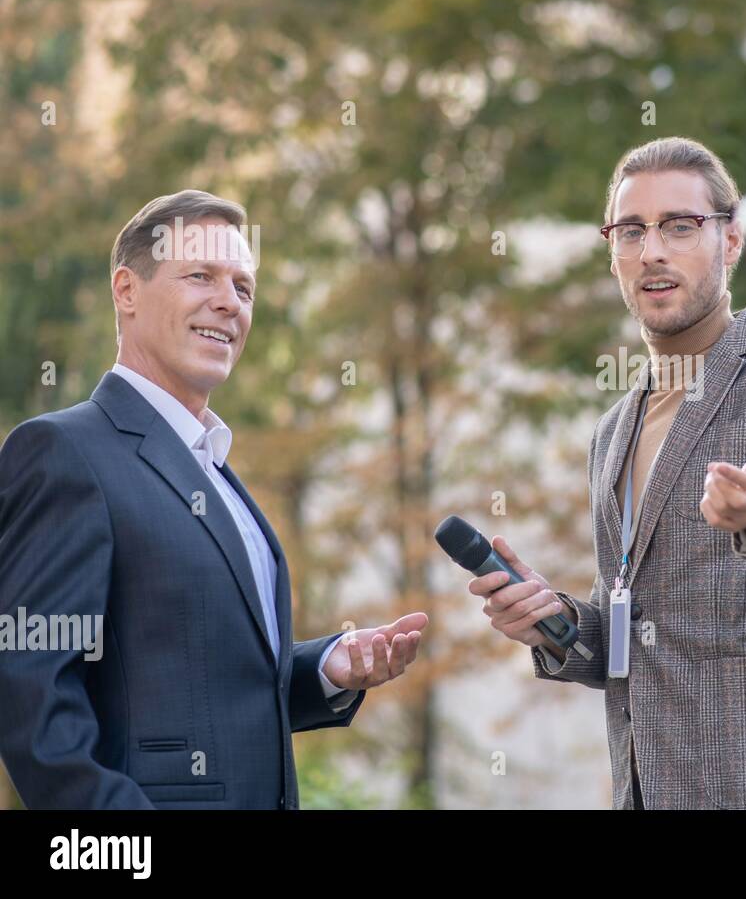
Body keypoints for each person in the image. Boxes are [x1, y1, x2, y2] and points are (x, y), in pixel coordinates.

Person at [470, 139, 746, 809]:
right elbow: (634, 641)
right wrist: (554, 621)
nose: (652, 250)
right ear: (613, 252)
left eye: (680, 226)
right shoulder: (612, 431)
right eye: (630, 231)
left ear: (731, 242)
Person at [0, 190, 427, 808]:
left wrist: (326, 669)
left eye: (244, 287)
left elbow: (215, 689)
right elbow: (30, 699)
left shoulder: (214, 471)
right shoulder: (64, 452)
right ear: (127, 291)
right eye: (200, 275)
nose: (228, 301)